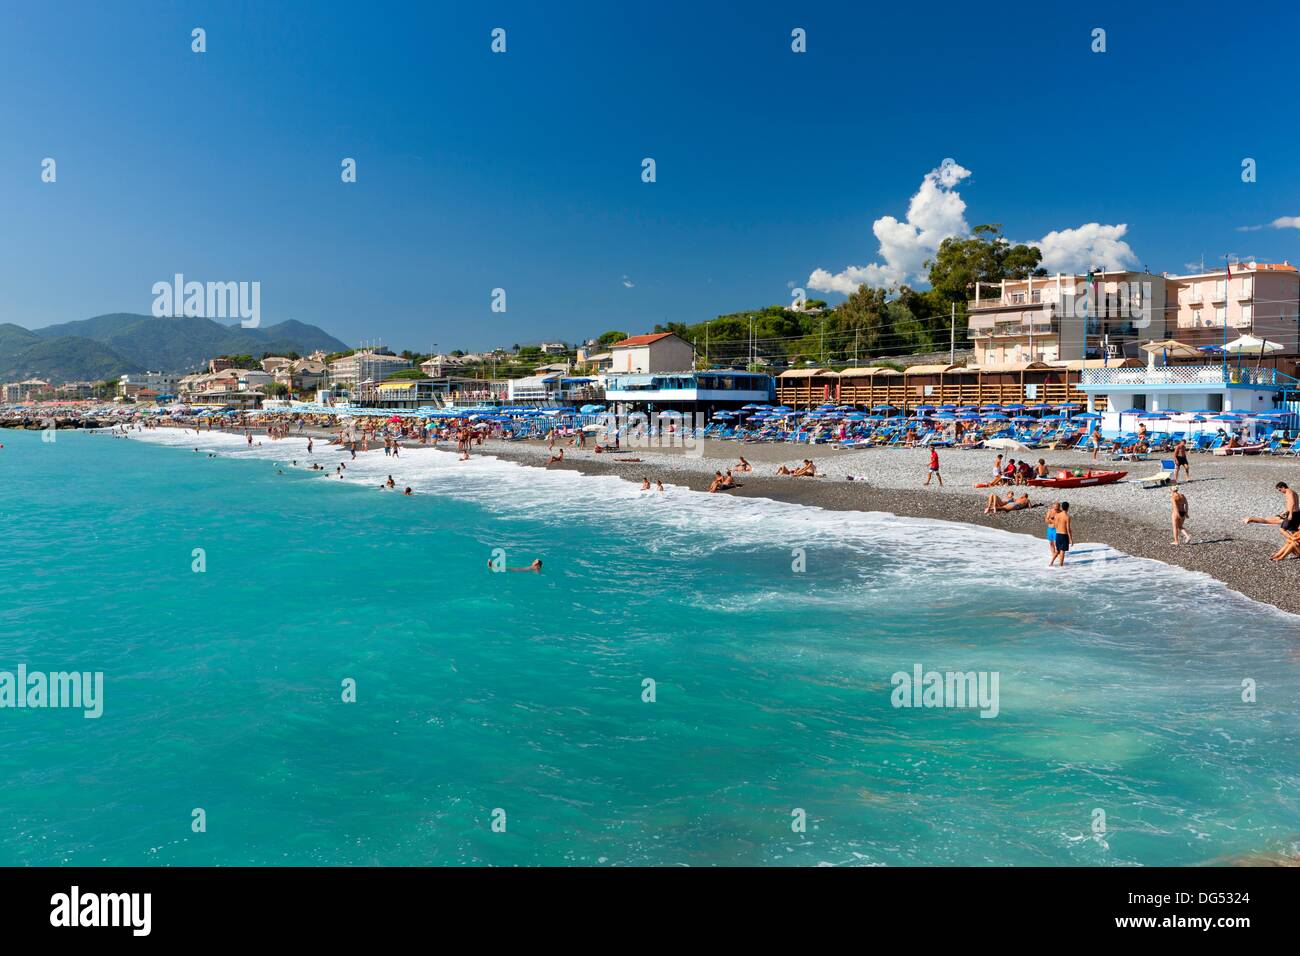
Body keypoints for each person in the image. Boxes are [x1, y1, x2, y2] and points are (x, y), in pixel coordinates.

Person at [1242, 482, 1300, 560]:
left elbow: (1292, 503)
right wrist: (1285, 512)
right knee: (1272, 521)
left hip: (1293, 514)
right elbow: (1292, 504)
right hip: (1293, 513)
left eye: (1280, 490)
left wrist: (1290, 515)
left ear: (1283, 487)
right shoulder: (1292, 492)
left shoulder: (1289, 492)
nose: (1280, 492)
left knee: (1280, 528)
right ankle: (1279, 554)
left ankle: (1251, 519)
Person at [1050, 502, 1072, 567]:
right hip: (1064, 535)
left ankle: (1051, 563)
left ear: (1062, 507)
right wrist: (1071, 539)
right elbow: (1068, 529)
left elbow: (1055, 525)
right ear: (1068, 508)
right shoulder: (1067, 517)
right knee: (1062, 551)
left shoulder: (1057, 515)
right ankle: (1061, 566)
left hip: (1057, 534)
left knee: (1058, 550)